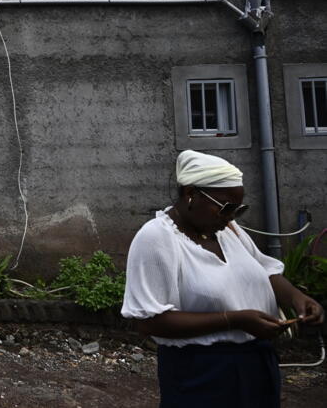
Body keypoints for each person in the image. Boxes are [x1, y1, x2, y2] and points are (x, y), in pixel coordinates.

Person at [121, 150, 324, 407]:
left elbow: (265, 270)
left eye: (238, 209)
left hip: (257, 365)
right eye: (226, 207)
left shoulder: (228, 230)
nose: (231, 217)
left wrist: (298, 298)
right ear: (191, 194)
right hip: (201, 373)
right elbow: (150, 322)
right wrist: (235, 320)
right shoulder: (156, 239)